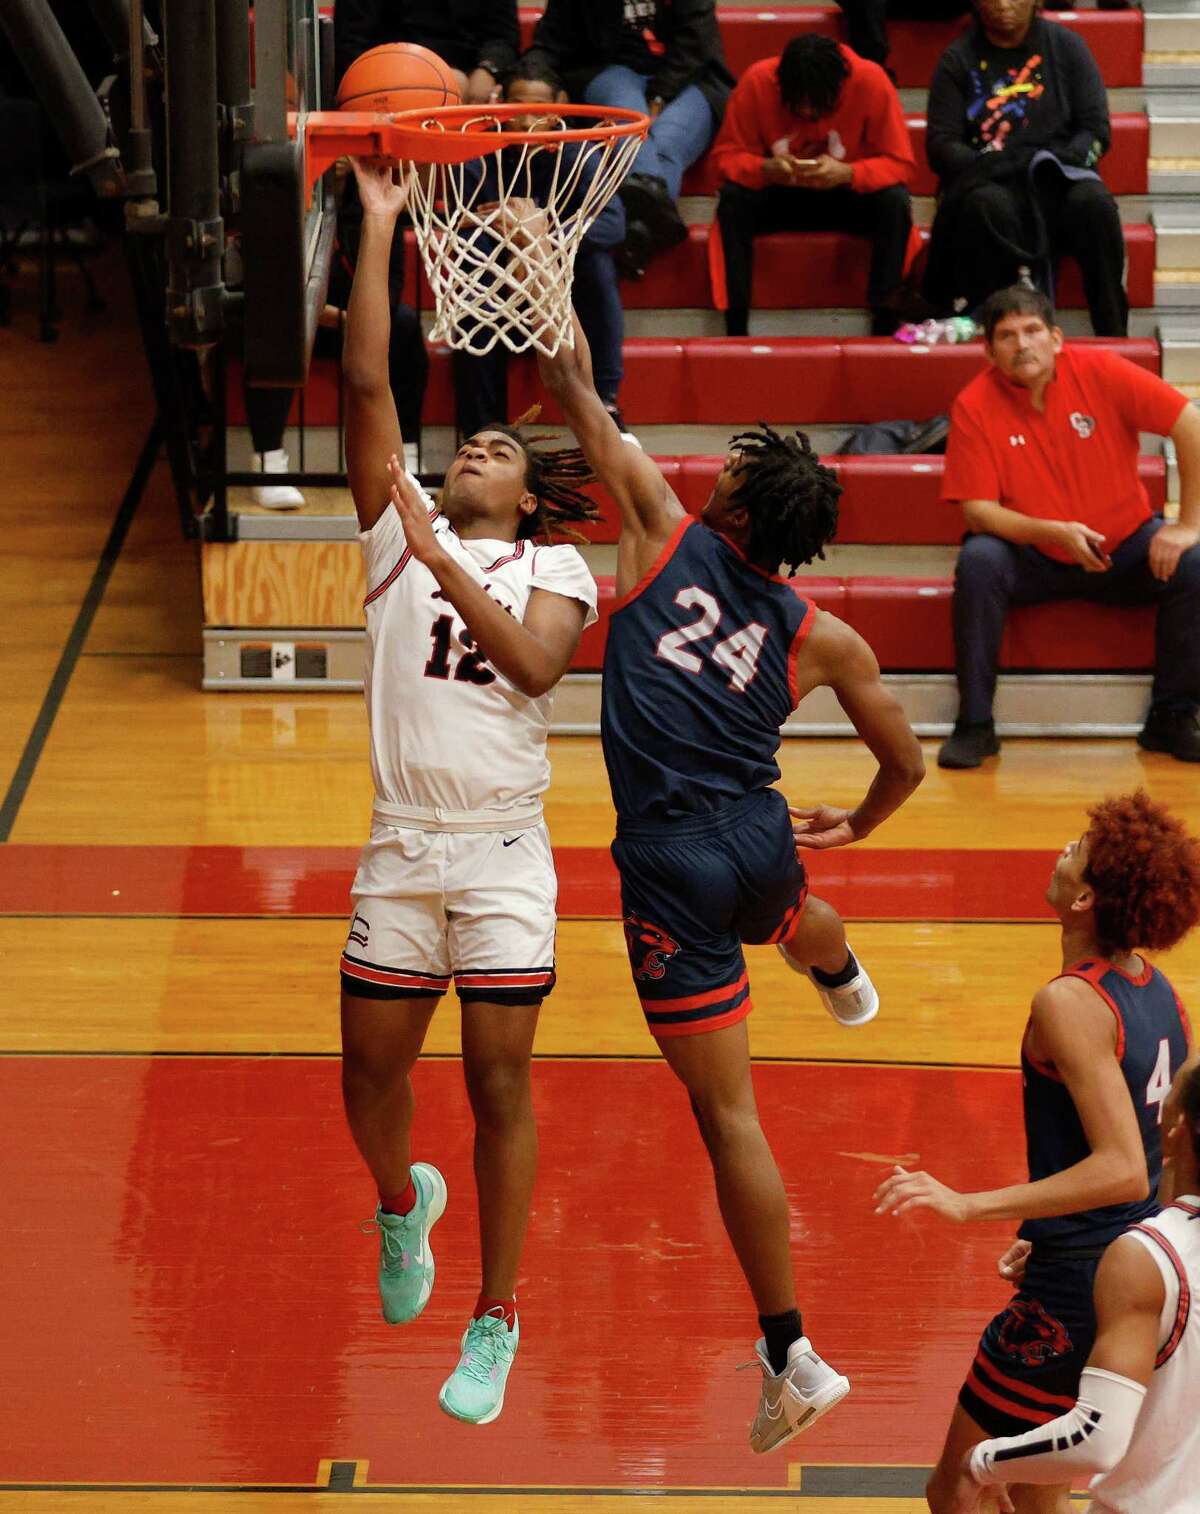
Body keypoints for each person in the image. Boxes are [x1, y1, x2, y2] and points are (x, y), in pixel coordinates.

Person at [535, 270, 925, 1449]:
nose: (727, 473)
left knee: (729, 1115)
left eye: (742, 472)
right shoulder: (825, 635)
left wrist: (540, 262)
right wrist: (859, 818)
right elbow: (907, 760)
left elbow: (571, 385)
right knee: (787, 906)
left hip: (669, 862)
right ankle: (838, 956)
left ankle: (793, 1349)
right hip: (759, 841)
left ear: (743, 507)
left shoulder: (661, 528)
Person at [338, 160, 600, 1426]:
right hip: (400, 847)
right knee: (367, 1082)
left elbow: (536, 664)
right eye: (468, 443)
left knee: (501, 1080)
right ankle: (404, 1201)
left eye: (497, 444)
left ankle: (496, 1311)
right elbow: (370, 381)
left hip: (503, 851)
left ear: (532, 492)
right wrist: (383, 226)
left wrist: (449, 554)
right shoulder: (395, 529)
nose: (472, 445)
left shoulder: (558, 560)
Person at [873, 790, 1199, 1514]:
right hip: (1127, 1264)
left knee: (958, 1485)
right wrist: (1044, 1230)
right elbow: (1160, 1150)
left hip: (1078, 1287)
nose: (1060, 852)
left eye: (1074, 850)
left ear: (1084, 897)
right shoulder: (1162, 993)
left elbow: (1119, 1165)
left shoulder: (1069, 1002)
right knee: (1032, 1492)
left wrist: (969, 1205)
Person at [936, 285, 1200, 769]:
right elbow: (978, 510)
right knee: (979, 559)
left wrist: (1188, 524)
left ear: (1056, 337)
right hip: (1035, 554)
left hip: (1123, 546)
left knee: (1196, 561)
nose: (1022, 344)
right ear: (989, 351)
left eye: (1033, 330)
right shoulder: (973, 404)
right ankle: (975, 723)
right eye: (1007, 335)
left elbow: (1191, 424)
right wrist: (1053, 532)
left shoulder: (1102, 371)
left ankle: (1173, 714)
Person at [946, 1053, 1200, 1514]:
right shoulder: (1150, 1257)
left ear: (1177, 1127)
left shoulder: (1149, 1260)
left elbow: (1096, 1439)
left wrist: (981, 1462)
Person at [923, 0, 1126, 337]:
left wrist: (1061, 162)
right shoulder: (956, 59)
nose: (1004, 3)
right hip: (992, 181)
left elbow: (1096, 131)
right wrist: (999, 165)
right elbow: (941, 146)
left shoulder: (1068, 47)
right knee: (987, 206)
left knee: (1094, 202)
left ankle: (1113, 331)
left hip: (1055, 177)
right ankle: (999, 331)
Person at [452, 57, 629, 438]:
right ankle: (484, 430)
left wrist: (539, 234)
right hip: (498, 292)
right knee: (471, 276)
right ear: (502, 108)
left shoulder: (577, 157)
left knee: (598, 265)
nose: (526, 121)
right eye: (519, 109)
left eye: (539, 112)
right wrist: (504, 233)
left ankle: (606, 401)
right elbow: (456, 223)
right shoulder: (478, 157)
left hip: (563, 298)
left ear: (557, 111)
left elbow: (614, 224)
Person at [709, 33, 915, 338]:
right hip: (780, 194)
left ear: (840, 87)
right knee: (732, 200)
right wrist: (763, 169)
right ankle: (736, 327)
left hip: (846, 195)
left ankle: (885, 322)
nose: (806, 112)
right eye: (797, 103)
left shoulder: (871, 81)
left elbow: (901, 164)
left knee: (895, 202)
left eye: (818, 104)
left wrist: (850, 173)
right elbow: (724, 158)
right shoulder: (757, 81)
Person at [521, 0, 733, 278]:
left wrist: (659, 95)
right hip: (613, 73)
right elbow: (548, 44)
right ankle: (647, 222)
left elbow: (696, 46)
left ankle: (630, 230)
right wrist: (549, 86)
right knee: (630, 115)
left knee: (665, 145)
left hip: (690, 79)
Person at [333, 0, 519, 104]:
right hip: (390, 68)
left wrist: (488, 70)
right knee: (450, 86)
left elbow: (504, 37)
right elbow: (351, 40)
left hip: (471, 68)